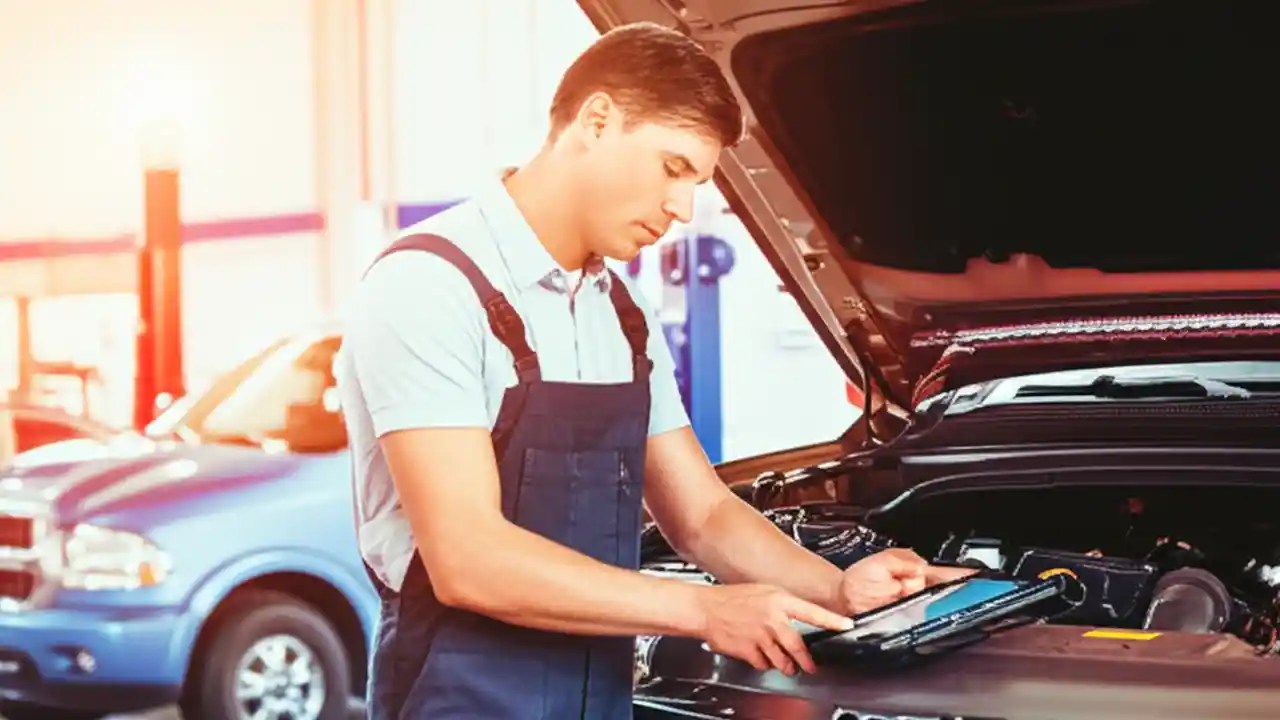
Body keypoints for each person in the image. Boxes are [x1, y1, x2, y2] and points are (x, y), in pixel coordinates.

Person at [336, 21, 967, 720]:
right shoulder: (430, 286)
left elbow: (701, 514)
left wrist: (838, 589)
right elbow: (468, 558)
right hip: (456, 698)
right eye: (673, 168)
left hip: (599, 698)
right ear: (597, 120)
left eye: (698, 183)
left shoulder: (622, 313)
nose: (683, 209)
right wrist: (704, 610)